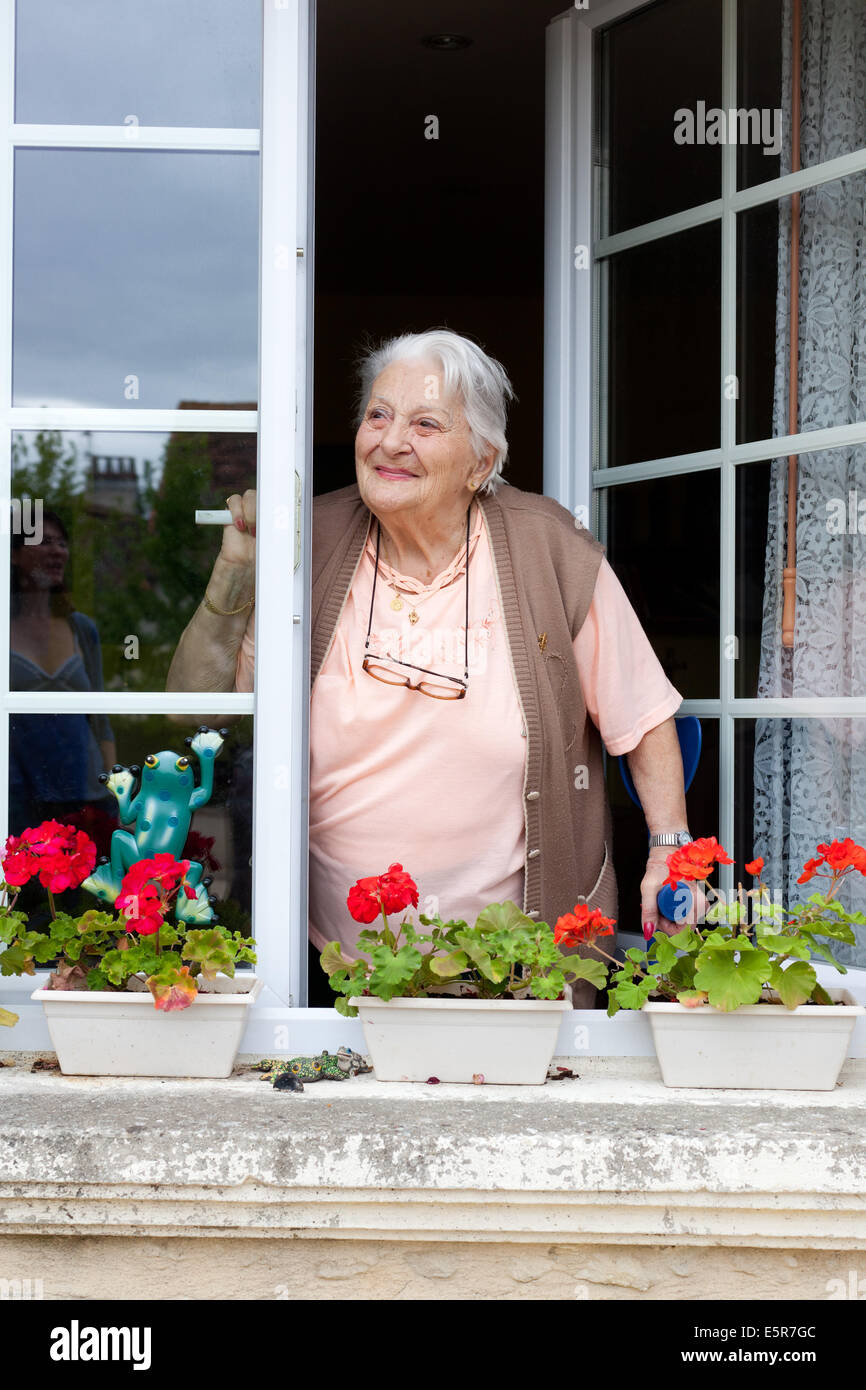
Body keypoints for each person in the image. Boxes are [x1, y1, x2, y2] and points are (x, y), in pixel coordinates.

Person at [167, 329, 695, 1006]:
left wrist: (669, 850)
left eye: (425, 424)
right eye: (378, 415)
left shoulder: (550, 551)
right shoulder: (310, 541)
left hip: (513, 963)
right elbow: (194, 709)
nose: (390, 441)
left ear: (481, 462)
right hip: (324, 963)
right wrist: (234, 578)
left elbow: (643, 716)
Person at [9, 509, 116, 836]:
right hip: (19, 800)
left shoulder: (81, 628)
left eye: (62, 543)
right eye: (44, 541)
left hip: (87, 796)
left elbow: (100, 719)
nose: (58, 550)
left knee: (89, 887)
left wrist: (117, 789)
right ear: (14, 554)